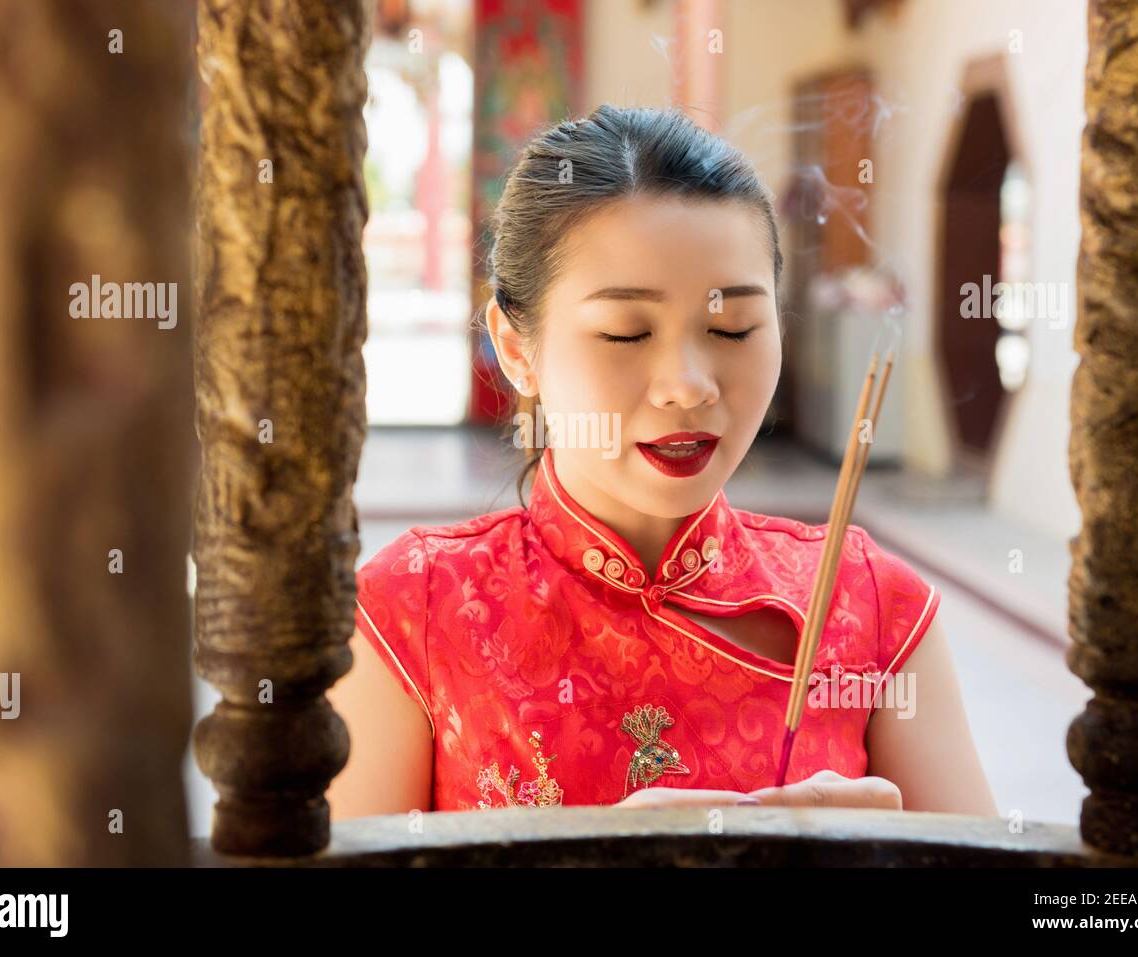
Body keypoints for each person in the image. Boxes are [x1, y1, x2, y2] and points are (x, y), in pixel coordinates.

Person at [328, 105, 996, 819]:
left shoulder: (872, 607)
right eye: (626, 332)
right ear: (517, 348)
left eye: (732, 327)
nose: (690, 383)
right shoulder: (412, 613)